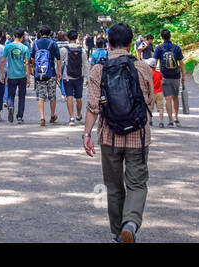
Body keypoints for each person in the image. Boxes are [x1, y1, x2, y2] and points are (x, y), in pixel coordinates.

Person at [82, 22, 154, 243]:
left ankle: (116, 233)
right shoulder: (143, 68)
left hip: (109, 136)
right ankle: (130, 224)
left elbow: (94, 106)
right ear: (132, 44)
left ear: (109, 43)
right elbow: (150, 101)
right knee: (137, 183)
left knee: (113, 187)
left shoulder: (98, 69)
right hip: (138, 136)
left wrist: (87, 134)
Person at [29, 26, 63, 126]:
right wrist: (59, 71)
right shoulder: (53, 43)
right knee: (52, 95)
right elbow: (59, 58)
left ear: (40, 32)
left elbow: (32, 58)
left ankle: (42, 117)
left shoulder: (35, 43)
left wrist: (35, 68)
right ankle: (52, 115)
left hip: (39, 74)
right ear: (50, 33)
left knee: (41, 96)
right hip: (51, 73)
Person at [153, 29, 184, 126]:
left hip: (165, 76)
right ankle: (176, 118)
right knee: (175, 97)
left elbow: (154, 63)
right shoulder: (176, 48)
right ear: (170, 36)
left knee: (168, 98)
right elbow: (181, 63)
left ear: (162, 37)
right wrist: (184, 75)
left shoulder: (159, 48)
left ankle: (170, 120)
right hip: (176, 76)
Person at [56, 29, 87, 125]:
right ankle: (78, 115)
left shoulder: (64, 50)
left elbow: (59, 61)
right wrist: (87, 78)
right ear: (77, 37)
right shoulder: (82, 50)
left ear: (68, 38)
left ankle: (72, 118)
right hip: (79, 76)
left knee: (69, 96)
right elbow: (85, 64)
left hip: (67, 76)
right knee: (79, 97)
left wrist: (59, 72)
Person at [2, 28, 30, 124]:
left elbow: (2, 61)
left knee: (11, 95)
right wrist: (29, 78)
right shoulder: (25, 48)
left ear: (13, 36)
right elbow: (27, 63)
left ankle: (10, 107)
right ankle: (19, 117)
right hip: (22, 75)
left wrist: (1, 74)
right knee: (22, 97)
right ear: (22, 37)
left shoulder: (8, 47)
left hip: (11, 75)